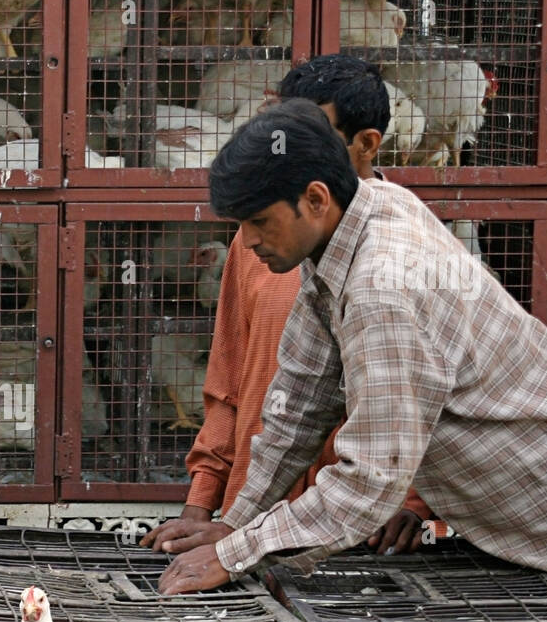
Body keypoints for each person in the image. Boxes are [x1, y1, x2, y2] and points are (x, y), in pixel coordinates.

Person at [158, 98, 547, 616]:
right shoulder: (359, 214)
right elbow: (300, 399)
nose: (247, 243)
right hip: (535, 517)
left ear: (315, 198)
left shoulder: (384, 285)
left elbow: (370, 477)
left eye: (259, 222)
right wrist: (235, 521)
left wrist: (235, 552)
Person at [143, 55, 432, 564]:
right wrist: (203, 502)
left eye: (313, 137)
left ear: (366, 145)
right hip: (250, 518)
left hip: (357, 534)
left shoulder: (402, 253)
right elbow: (228, 380)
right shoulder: (256, 239)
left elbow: (428, 401)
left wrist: (411, 502)